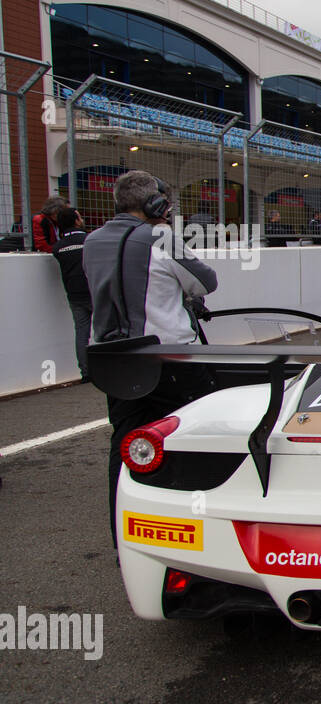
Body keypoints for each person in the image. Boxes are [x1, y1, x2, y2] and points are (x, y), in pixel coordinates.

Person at [83, 170, 219, 543]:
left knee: (124, 441)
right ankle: (190, 532)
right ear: (156, 204)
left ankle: (122, 537)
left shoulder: (92, 241)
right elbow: (207, 281)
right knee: (191, 435)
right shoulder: (161, 237)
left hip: (114, 358)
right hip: (168, 359)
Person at [50, 206, 92, 380]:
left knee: (81, 332)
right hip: (94, 290)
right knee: (107, 330)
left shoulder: (58, 247)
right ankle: (110, 370)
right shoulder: (89, 240)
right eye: (79, 217)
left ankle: (86, 373)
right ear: (76, 220)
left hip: (74, 295)